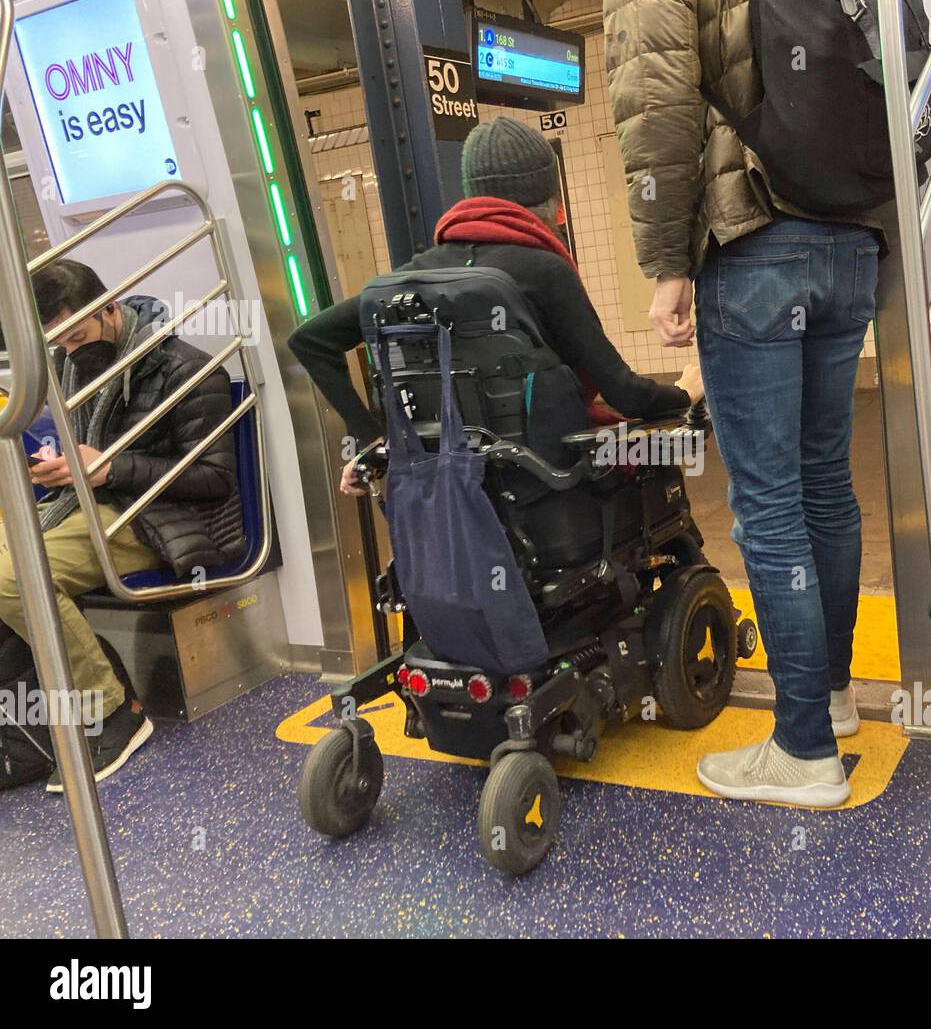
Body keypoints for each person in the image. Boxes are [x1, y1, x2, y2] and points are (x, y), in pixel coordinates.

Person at [605, 0, 888, 806]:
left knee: (768, 506)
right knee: (825, 485)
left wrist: (665, 267)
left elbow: (656, 113)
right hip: (850, 240)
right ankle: (832, 700)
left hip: (756, 235)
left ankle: (802, 750)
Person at [288, 117, 703, 498]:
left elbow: (309, 340)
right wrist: (683, 391)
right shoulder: (544, 268)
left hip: (453, 488)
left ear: (471, 190)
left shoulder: (420, 274)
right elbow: (624, 393)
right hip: (552, 485)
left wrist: (374, 440)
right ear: (548, 197)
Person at [0, 260, 243, 792]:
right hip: (93, 504)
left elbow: (215, 480)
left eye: (77, 336)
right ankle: (29, 733)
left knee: (14, 578)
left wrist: (108, 466)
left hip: (158, 519)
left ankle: (114, 713)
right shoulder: (69, 369)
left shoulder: (190, 370)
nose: (70, 351)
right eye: (58, 344)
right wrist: (63, 465)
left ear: (111, 307)